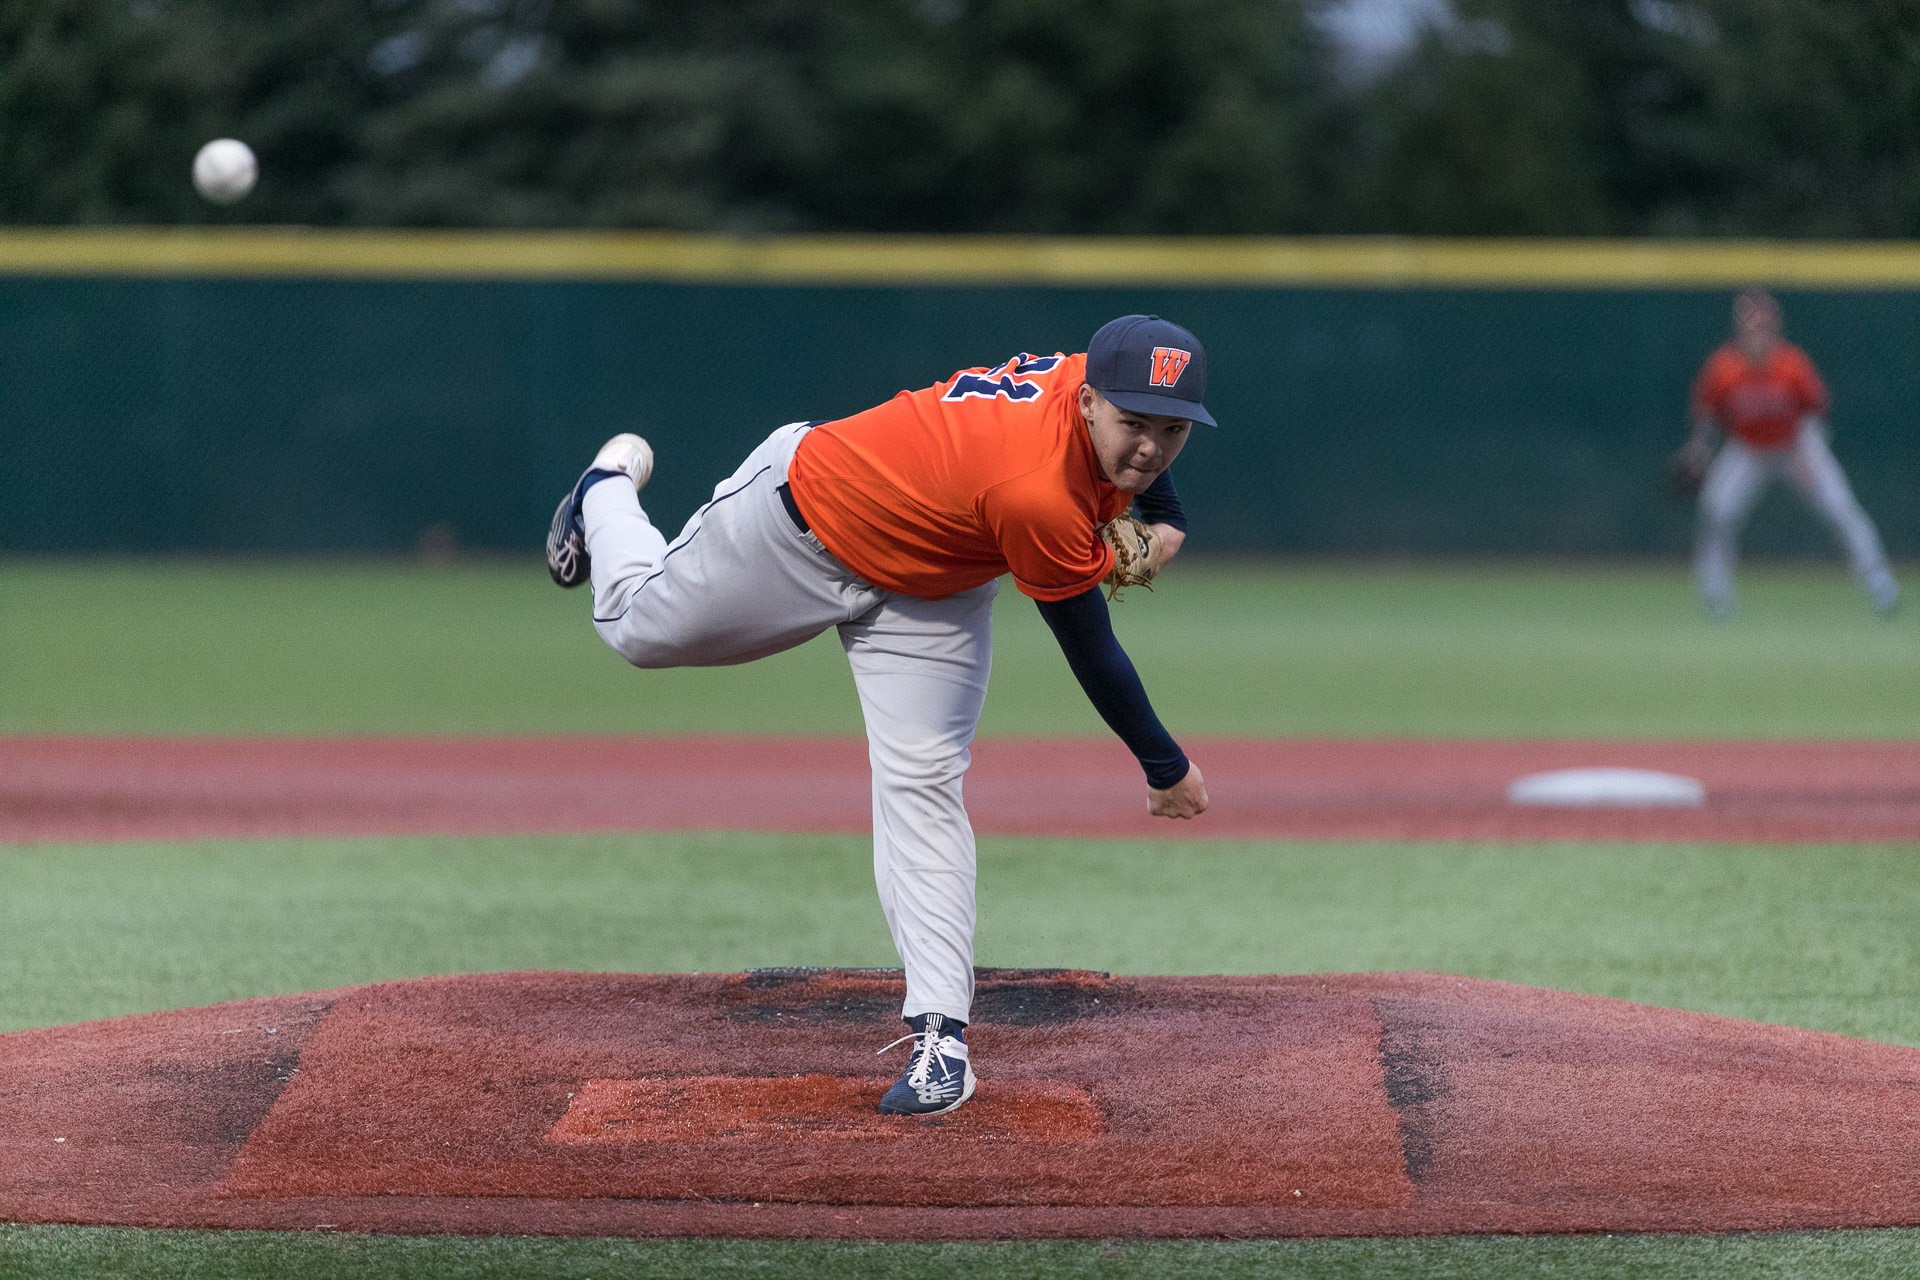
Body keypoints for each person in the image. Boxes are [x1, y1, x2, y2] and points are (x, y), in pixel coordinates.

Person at [545, 315, 1212, 1116]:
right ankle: (604, 491)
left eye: (1173, 430)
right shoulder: (1034, 490)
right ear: (1091, 401)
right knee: (635, 629)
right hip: (805, 523)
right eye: (1133, 423)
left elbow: (1141, 462)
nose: (1150, 446)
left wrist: (1164, 513)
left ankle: (942, 1038)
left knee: (923, 782)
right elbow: (1091, 649)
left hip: (937, 581)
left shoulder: (1099, 378)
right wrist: (1165, 765)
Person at [1680, 287, 1899, 619]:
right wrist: (1699, 447)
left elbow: (1814, 413)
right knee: (1716, 509)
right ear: (1739, 328)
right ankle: (1715, 594)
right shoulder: (1724, 367)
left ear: (1774, 327)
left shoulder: (1792, 365)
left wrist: (1806, 457)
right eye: (1750, 324)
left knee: (1841, 509)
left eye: (1763, 324)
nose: (1757, 331)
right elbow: (1706, 410)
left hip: (1796, 445)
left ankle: (1880, 583)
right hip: (1748, 449)